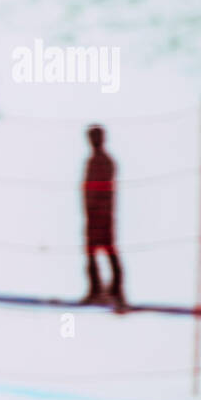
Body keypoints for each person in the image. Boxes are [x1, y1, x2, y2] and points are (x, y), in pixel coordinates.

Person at [80, 124, 126, 311]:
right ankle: (95, 289)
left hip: (103, 215)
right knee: (92, 252)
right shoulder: (92, 161)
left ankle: (116, 290)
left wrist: (100, 209)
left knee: (108, 251)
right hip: (92, 215)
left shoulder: (105, 162)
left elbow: (104, 190)